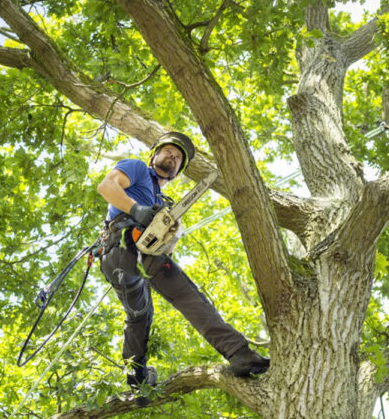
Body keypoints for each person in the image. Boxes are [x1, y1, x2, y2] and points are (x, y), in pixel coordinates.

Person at [97, 130, 270, 398]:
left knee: (140, 315)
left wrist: (167, 233)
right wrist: (137, 210)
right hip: (124, 245)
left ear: (177, 171)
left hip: (125, 261)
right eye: (168, 151)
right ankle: (239, 352)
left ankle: (136, 378)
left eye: (178, 157)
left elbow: (164, 240)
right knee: (187, 295)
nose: (173, 157)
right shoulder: (137, 169)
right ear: (154, 155)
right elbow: (107, 187)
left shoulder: (162, 202)